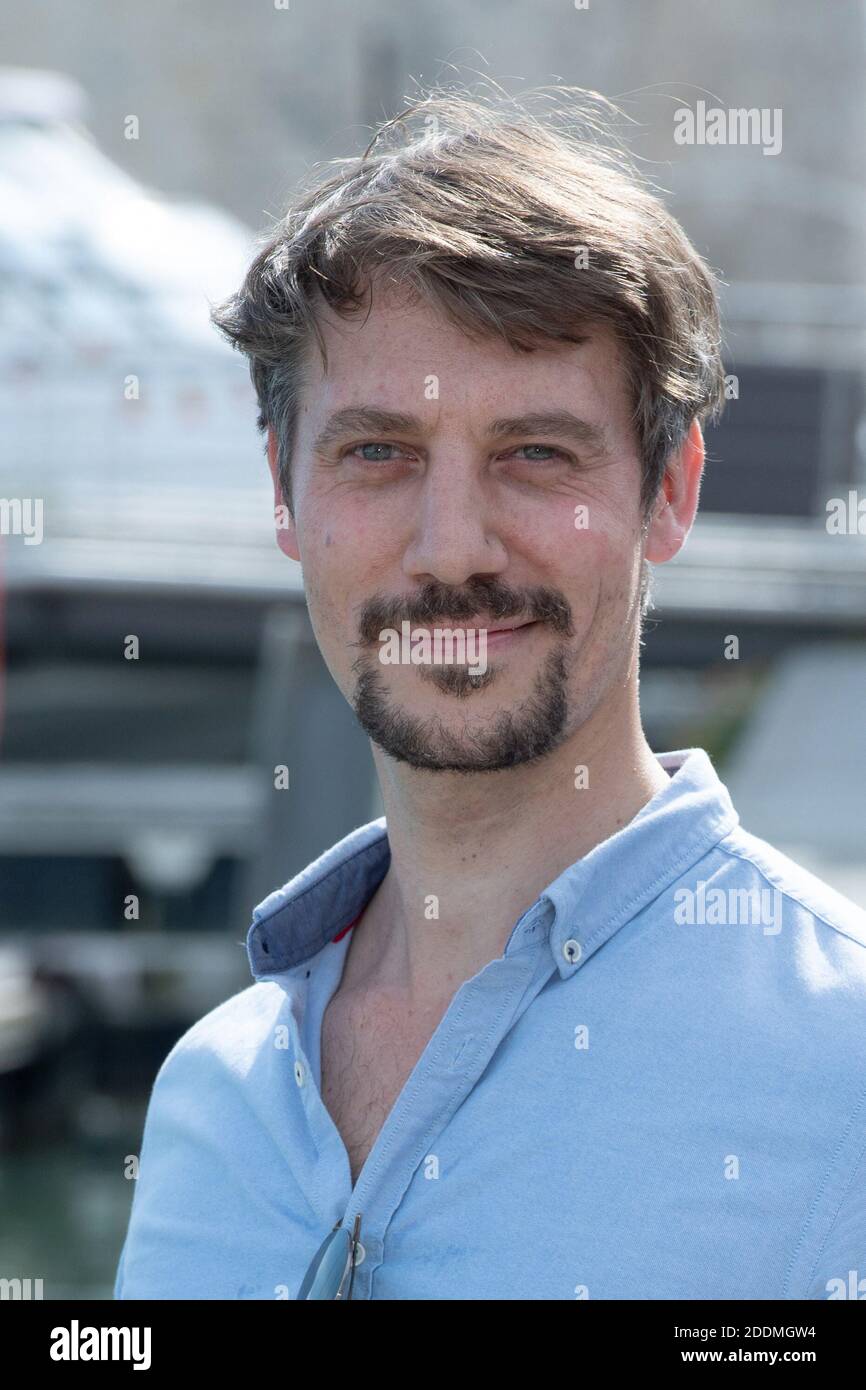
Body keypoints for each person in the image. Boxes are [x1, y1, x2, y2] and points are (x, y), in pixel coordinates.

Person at [114, 85, 866, 1300]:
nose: (450, 546)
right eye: (377, 454)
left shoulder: (843, 1073)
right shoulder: (212, 1101)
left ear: (668, 491)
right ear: (282, 491)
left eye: (533, 454)